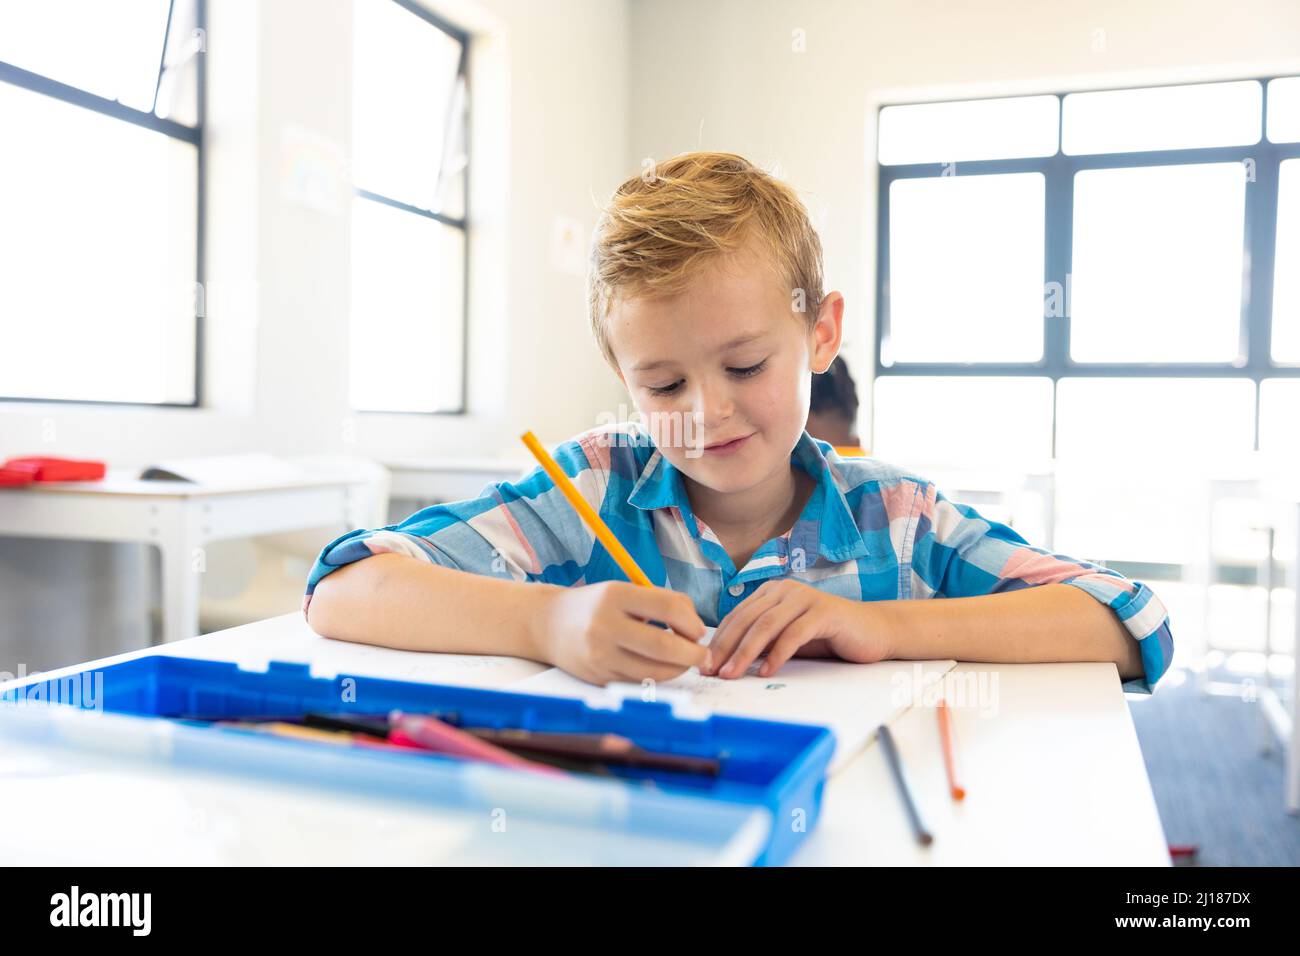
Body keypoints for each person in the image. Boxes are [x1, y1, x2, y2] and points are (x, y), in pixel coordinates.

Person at [304, 151, 1172, 692]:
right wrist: (548, 623)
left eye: (746, 366)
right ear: (621, 377)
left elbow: (1126, 619)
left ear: (821, 333)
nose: (705, 414)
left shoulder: (897, 520)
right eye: (663, 382)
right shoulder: (593, 486)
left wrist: (887, 626)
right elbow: (345, 590)